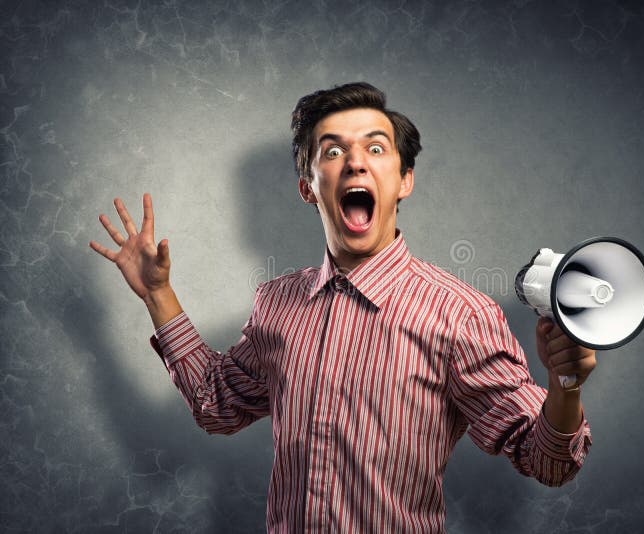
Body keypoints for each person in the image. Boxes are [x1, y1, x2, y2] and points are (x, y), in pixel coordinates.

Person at [89, 82, 596, 532]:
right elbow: (216, 405)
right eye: (332, 151)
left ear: (404, 181)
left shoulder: (460, 314)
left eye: (376, 148)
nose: (355, 161)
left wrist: (565, 384)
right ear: (308, 187)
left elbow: (548, 462)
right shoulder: (277, 303)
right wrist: (158, 294)